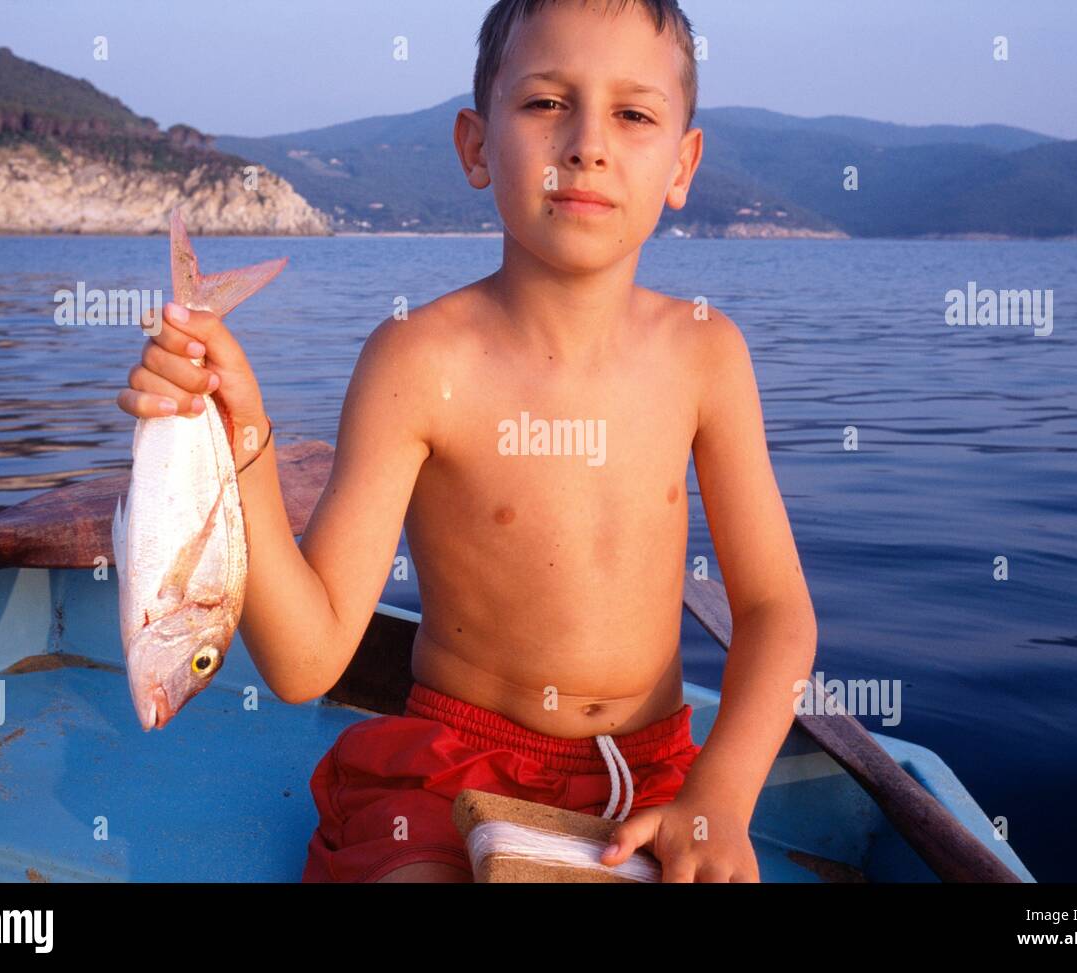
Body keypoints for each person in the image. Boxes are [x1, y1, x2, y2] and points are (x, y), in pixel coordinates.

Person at [117, 0, 816, 883]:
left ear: (683, 163)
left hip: (656, 776)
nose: (587, 143)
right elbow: (305, 661)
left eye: (633, 114)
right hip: (448, 769)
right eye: (545, 103)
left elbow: (775, 613)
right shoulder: (418, 360)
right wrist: (238, 435)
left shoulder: (708, 354)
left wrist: (722, 792)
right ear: (477, 145)